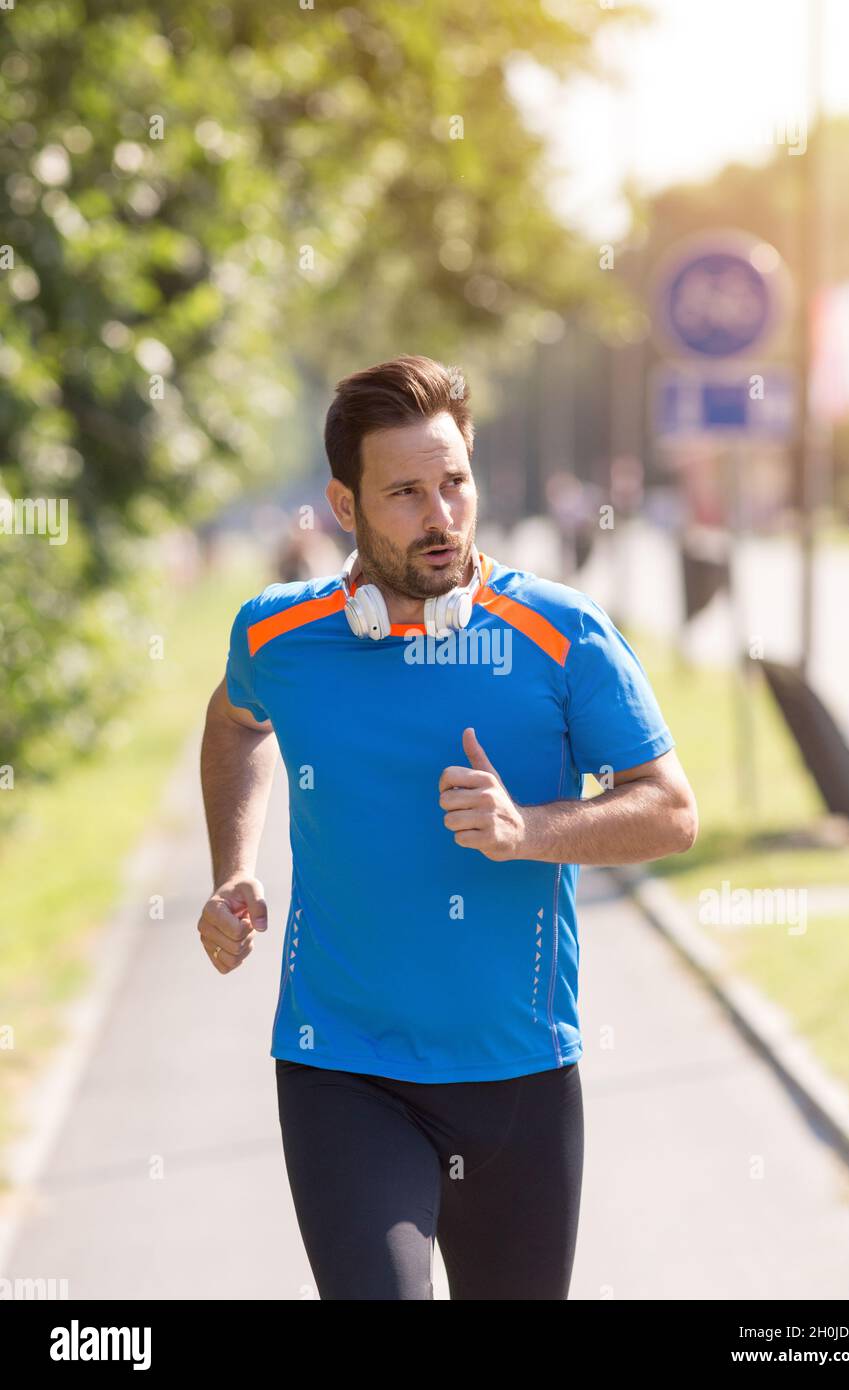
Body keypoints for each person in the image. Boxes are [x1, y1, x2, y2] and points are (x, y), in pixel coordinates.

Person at [198, 354, 698, 1300]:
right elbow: (234, 723)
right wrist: (236, 868)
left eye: (455, 483)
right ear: (345, 507)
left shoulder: (564, 635)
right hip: (342, 1069)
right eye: (406, 494)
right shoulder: (278, 636)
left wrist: (529, 829)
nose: (441, 517)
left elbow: (672, 811)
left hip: (519, 1078)